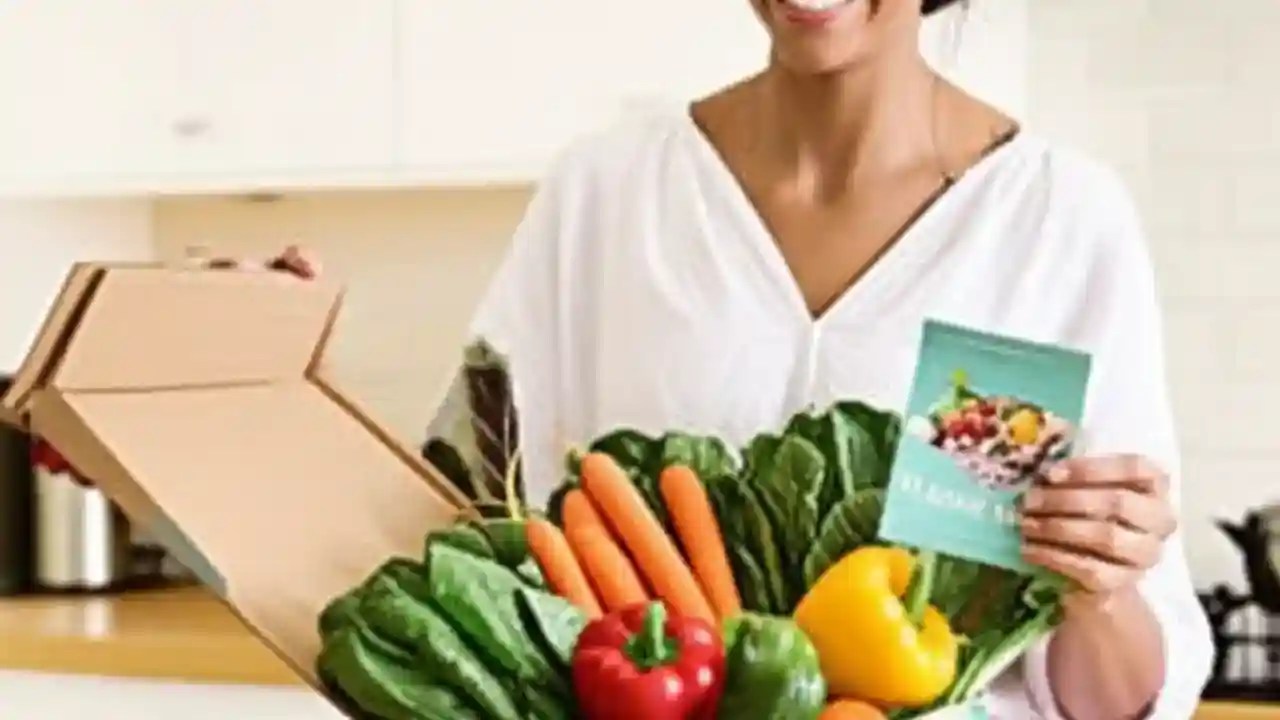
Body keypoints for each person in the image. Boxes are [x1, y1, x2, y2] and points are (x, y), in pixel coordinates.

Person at [254, 0, 1213, 716]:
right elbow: (455, 510)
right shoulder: (605, 195)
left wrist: (1102, 588)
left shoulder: (1053, 224)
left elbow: (1112, 700)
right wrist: (255, 384)